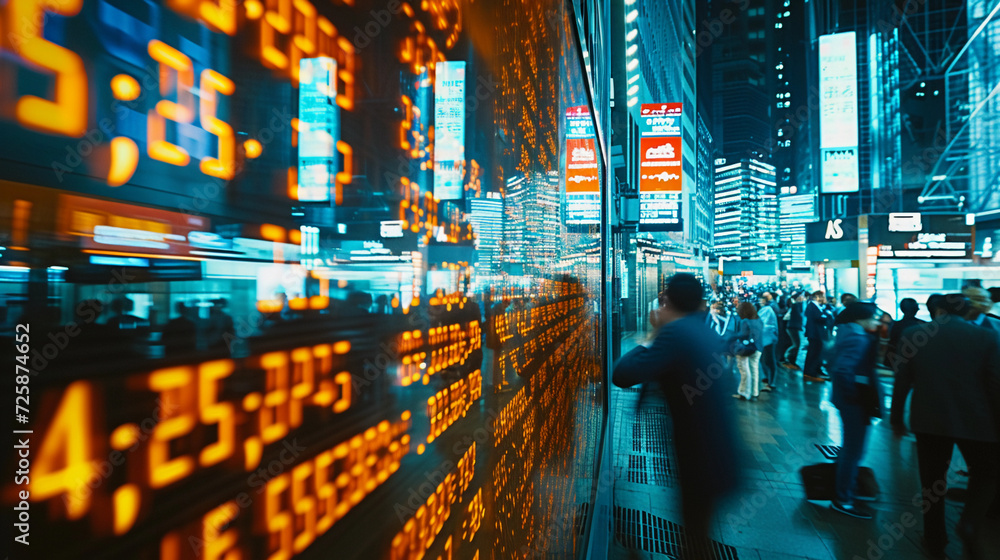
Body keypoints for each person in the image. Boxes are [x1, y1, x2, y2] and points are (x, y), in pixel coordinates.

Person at [612, 274, 741, 550]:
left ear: (668, 301)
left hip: (700, 457)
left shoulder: (676, 333)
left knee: (694, 537)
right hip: (720, 455)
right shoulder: (703, 329)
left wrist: (655, 334)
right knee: (697, 530)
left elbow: (622, 374)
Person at [891, 294, 1000, 559]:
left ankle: (935, 538)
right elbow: (995, 383)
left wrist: (896, 416)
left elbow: (903, 379)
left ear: (938, 311)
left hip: (929, 419)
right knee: (986, 472)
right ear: (967, 312)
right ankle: (970, 522)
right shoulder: (988, 337)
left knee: (932, 481)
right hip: (977, 420)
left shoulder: (914, 334)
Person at [829, 302, 883, 519]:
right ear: (861, 318)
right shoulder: (857, 337)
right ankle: (844, 498)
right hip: (855, 401)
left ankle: (845, 489)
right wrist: (854, 395)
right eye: (874, 317)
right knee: (854, 450)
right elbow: (843, 369)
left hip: (847, 399)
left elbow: (831, 361)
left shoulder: (844, 333)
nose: (877, 321)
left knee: (850, 448)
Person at [733, 302, 763, 401]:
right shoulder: (758, 320)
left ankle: (743, 392)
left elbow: (742, 335)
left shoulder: (745, 321)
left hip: (745, 348)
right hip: (757, 347)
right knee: (754, 370)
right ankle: (754, 393)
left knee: (744, 370)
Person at [886, 298, 924, 372]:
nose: (918, 308)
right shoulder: (923, 325)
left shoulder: (895, 325)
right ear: (915, 309)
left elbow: (892, 345)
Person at [804, 291, 835, 381]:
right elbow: (818, 317)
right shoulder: (812, 306)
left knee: (817, 353)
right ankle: (810, 372)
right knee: (813, 353)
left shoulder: (818, 306)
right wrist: (827, 316)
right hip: (814, 333)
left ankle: (817, 370)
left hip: (818, 333)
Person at [757, 294, 779, 392]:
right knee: (764, 360)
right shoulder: (765, 310)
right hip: (765, 339)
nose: (760, 302)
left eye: (762, 301)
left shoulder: (767, 310)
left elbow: (765, 324)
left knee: (769, 360)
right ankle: (768, 378)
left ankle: (772, 382)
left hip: (768, 339)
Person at [782, 291, 806, 370]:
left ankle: (791, 359)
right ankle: (788, 357)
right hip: (792, 327)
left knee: (797, 344)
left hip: (793, 327)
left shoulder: (798, 305)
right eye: (802, 296)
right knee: (796, 344)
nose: (803, 297)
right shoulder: (796, 305)